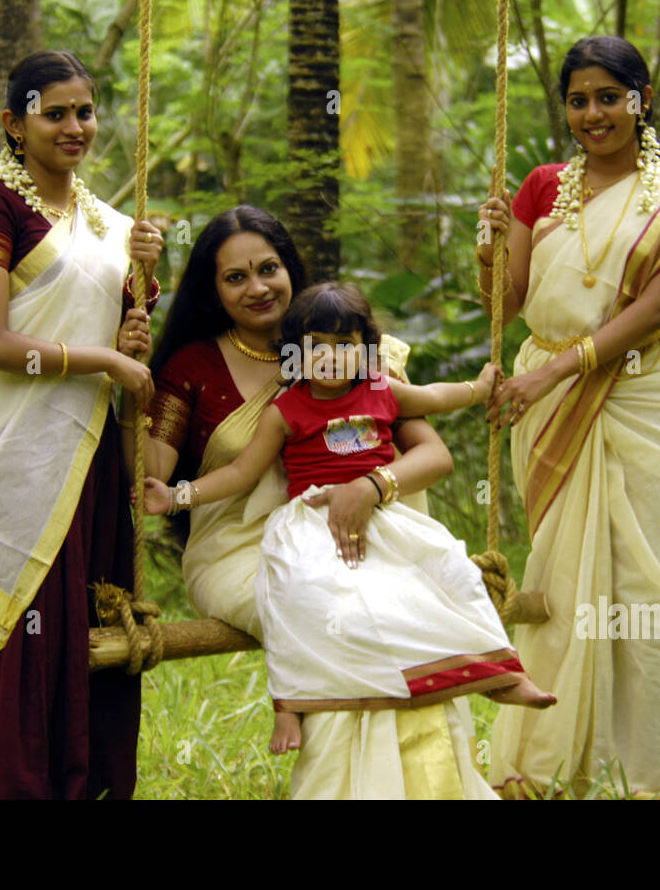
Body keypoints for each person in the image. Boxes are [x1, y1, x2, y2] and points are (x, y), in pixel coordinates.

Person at [137, 207, 504, 798]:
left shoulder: (353, 350)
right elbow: (151, 471)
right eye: (235, 277)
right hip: (244, 552)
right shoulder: (194, 366)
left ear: (291, 269)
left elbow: (432, 457)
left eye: (268, 268)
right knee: (345, 618)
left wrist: (369, 487)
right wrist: (125, 356)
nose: (257, 287)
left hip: (367, 529)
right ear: (213, 289)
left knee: (396, 608)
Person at [477, 35, 660, 799]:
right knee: (564, 586)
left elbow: (654, 310)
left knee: (654, 592)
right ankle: (547, 772)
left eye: (610, 96)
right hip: (550, 394)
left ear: (641, 100)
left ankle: (642, 783)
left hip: (642, 397)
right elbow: (507, 306)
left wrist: (556, 376)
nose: (593, 113)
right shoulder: (541, 187)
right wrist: (490, 249)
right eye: (579, 99)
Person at [0, 50, 164, 800]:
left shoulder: (108, 221)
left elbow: (127, 331)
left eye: (84, 111)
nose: (75, 126)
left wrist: (143, 279)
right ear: (14, 124)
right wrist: (104, 364)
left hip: (88, 459)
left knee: (81, 633)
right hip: (20, 453)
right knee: (24, 632)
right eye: (55, 113)